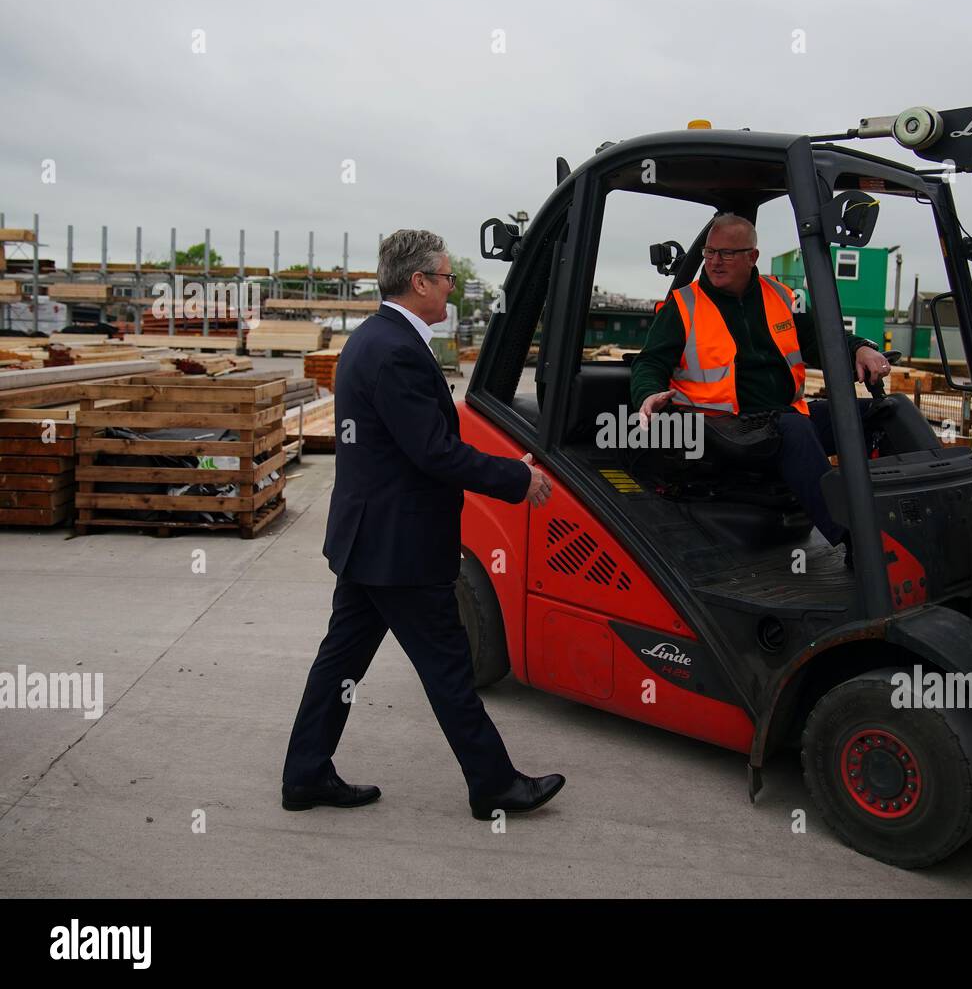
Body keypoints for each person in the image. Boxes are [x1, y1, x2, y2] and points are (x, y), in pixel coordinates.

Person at [281, 229, 565, 821]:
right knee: (448, 670)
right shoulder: (398, 350)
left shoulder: (373, 339)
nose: (450, 288)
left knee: (339, 663)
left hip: (369, 541)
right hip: (400, 548)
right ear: (419, 283)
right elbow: (433, 453)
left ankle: (306, 773)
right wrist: (517, 478)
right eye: (446, 278)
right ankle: (494, 785)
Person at [630, 213, 893, 568]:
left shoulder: (780, 296)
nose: (714, 262)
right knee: (794, 430)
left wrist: (860, 346)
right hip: (720, 430)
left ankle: (919, 521)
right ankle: (859, 545)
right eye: (709, 252)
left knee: (888, 414)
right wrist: (648, 395)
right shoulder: (684, 306)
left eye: (726, 253)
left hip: (779, 418)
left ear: (752, 257)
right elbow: (649, 363)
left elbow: (823, 338)